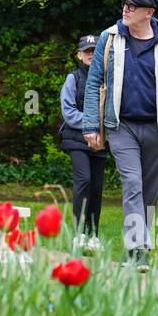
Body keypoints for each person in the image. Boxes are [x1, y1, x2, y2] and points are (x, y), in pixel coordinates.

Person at [82, 0, 158, 270]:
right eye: (124, 4)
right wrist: (92, 125)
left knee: (149, 193)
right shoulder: (110, 38)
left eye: (133, 5)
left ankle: (140, 243)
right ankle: (137, 251)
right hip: (122, 126)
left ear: (149, 12)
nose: (126, 9)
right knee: (132, 185)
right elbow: (94, 83)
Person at [59, 34, 108, 252]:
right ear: (79, 55)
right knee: (84, 180)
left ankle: (93, 234)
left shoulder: (108, 80)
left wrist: (101, 129)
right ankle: (78, 233)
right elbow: (69, 112)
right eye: (86, 51)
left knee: (97, 187)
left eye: (94, 51)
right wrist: (91, 124)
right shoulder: (73, 79)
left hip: (100, 141)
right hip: (76, 139)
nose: (90, 54)